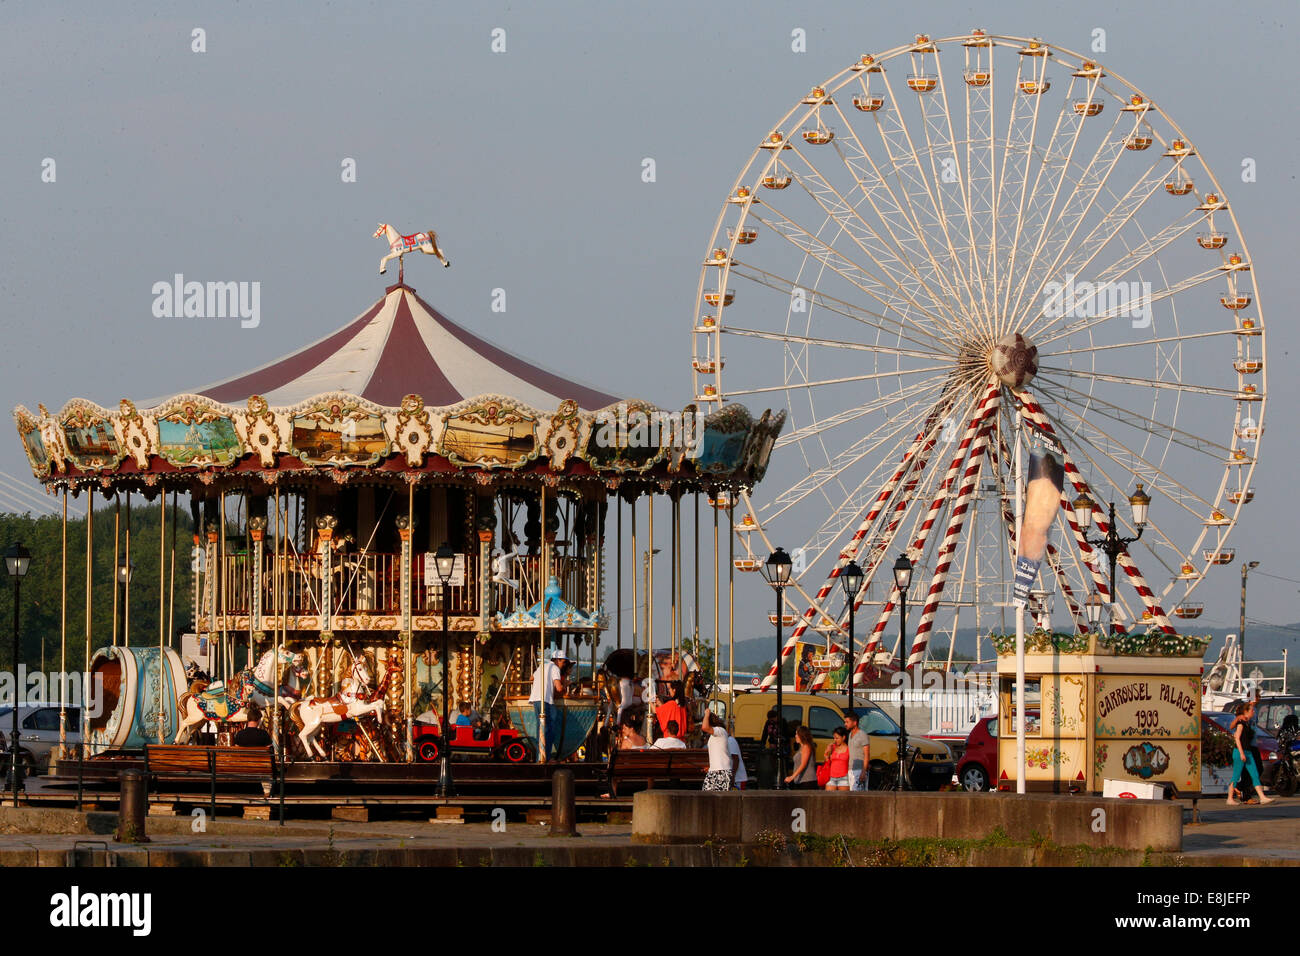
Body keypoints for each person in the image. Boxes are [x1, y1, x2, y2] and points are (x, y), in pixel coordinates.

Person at [1228, 700, 1273, 805]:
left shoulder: (1248, 723)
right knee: (1236, 775)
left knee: (1255, 774)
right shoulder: (1241, 723)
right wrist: (1241, 753)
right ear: (1246, 711)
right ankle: (1229, 798)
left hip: (1248, 752)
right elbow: (1237, 737)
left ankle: (1262, 797)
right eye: (1252, 710)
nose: (1254, 712)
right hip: (1240, 752)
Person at [529, 649, 567, 761]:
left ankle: (540, 757)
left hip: (536, 699)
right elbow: (559, 688)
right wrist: (565, 686)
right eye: (563, 662)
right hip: (545, 700)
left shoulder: (542, 667)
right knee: (549, 728)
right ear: (557, 660)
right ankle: (546, 756)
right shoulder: (554, 668)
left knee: (541, 728)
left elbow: (531, 678)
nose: (563, 664)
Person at [701, 711, 732, 791]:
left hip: (722, 771)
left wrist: (707, 714)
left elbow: (704, 727)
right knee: (706, 796)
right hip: (713, 770)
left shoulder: (720, 731)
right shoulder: (714, 735)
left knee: (720, 799)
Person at [844, 711, 872, 791]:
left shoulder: (862, 735)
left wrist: (863, 771)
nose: (845, 724)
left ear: (855, 722)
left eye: (847, 722)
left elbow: (867, 754)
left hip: (859, 770)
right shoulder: (850, 734)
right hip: (851, 769)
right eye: (845, 722)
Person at [726, 718, 748, 790]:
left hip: (738, 778)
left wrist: (732, 776)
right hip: (735, 777)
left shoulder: (730, 740)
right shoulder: (727, 740)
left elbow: (736, 759)